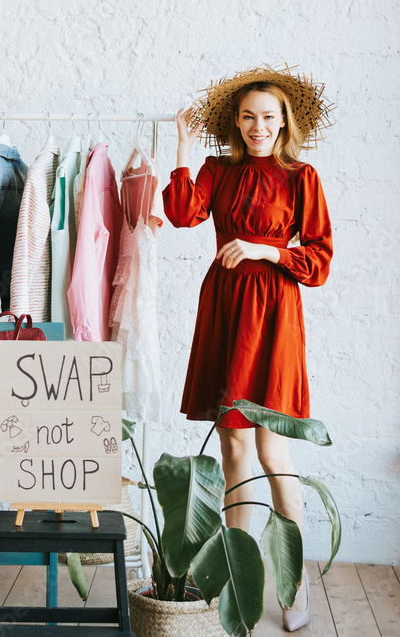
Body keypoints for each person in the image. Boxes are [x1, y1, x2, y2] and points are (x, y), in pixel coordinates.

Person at [165, 65, 332, 631]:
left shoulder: (301, 176)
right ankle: (237, 584)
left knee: (273, 454)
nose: (258, 125)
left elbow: (319, 261)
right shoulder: (218, 169)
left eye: (268, 116)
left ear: (284, 120)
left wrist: (265, 252)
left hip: (275, 315)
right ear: (235, 123)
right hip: (226, 310)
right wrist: (184, 150)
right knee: (233, 453)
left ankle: (294, 583)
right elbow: (183, 213)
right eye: (248, 116)